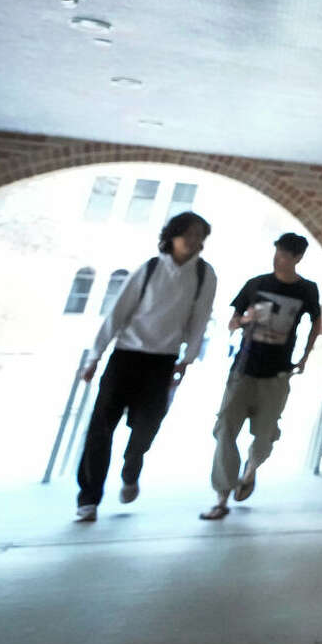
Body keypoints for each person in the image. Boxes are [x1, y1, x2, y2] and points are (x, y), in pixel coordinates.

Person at [74, 211, 216, 521]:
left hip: (163, 362)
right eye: (188, 233)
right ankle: (89, 498)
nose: (193, 240)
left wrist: (187, 360)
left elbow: (199, 320)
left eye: (199, 235)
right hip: (126, 355)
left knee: (146, 428)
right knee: (101, 428)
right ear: (173, 235)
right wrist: (94, 357)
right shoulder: (150, 268)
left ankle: (131, 465)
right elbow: (118, 312)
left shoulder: (204, 275)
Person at [203, 232, 321, 520]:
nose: (278, 259)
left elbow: (316, 322)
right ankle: (222, 496)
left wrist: (306, 355)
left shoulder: (306, 290)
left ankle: (251, 470)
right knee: (225, 430)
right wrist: (246, 319)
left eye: (284, 255)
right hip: (242, 370)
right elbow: (231, 323)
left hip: (277, 374)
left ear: (297, 258)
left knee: (266, 434)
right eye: (277, 252)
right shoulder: (256, 284)